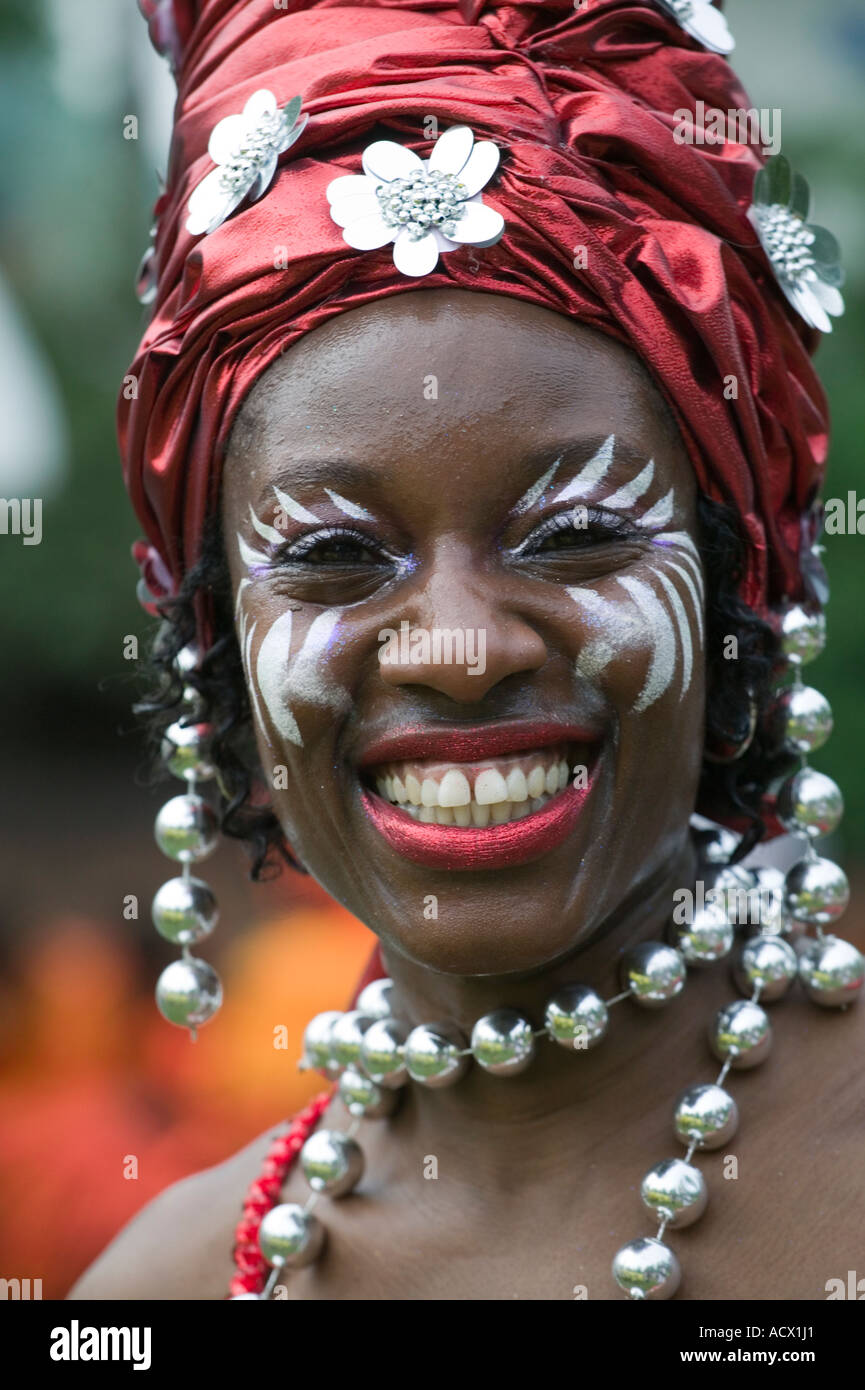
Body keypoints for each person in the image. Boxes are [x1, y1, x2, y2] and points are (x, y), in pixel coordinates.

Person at [69, 0, 862, 1301]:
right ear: (217, 641)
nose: (453, 647)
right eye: (333, 556)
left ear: (739, 586)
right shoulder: (154, 1289)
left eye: (573, 535)